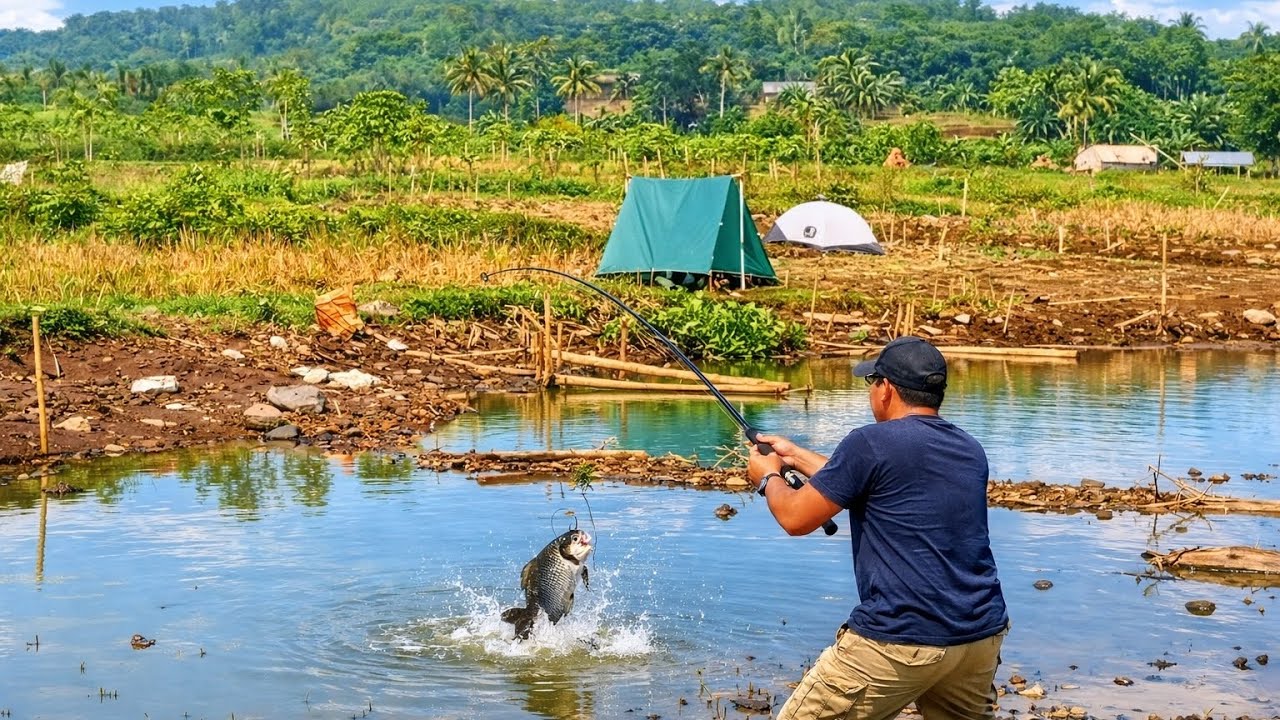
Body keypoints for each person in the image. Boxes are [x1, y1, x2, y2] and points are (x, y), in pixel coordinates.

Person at [747, 335, 1008, 720]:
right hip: (977, 635)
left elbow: (795, 518)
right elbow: (875, 484)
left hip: (900, 638)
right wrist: (794, 456)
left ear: (885, 389)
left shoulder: (869, 443)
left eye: (872, 382)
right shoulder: (968, 447)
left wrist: (768, 477)